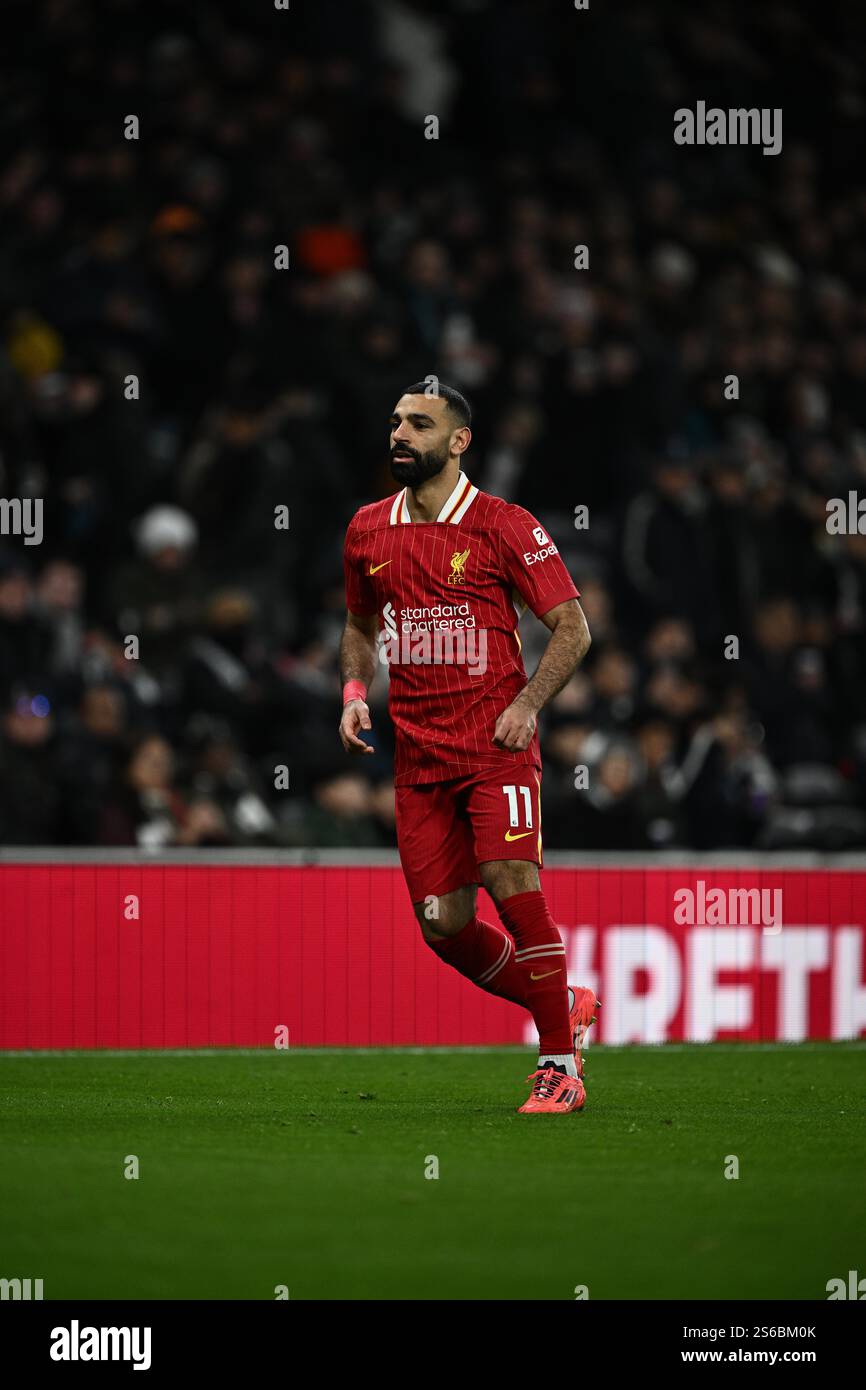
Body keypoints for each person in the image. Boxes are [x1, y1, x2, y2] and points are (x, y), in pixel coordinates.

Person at [339, 381, 598, 1114]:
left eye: (419, 424)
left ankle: (560, 1068)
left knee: (512, 884)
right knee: (443, 925)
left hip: (495, 746)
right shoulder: (366, 530)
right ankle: (565, 1000)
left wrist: (527, 704)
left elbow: (573, 628)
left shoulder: (502, 525)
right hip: (418, 760)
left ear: (458, 442)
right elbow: (360, 626)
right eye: (394, 421)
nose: (400, 433)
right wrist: (355, 696)